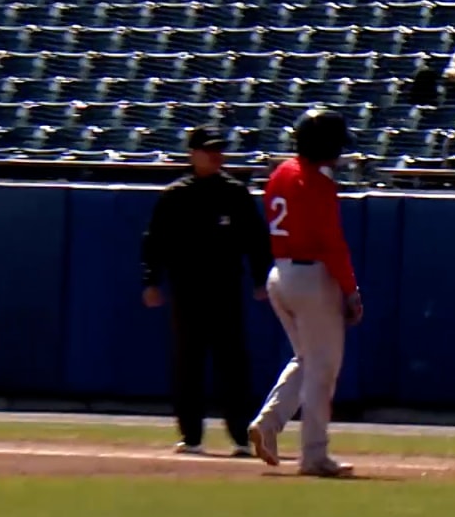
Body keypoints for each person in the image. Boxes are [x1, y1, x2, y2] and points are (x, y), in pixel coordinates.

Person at [140, 126, 272, 457]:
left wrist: (260, 279)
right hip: (187, 290)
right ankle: (192, 435)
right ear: (193, 154)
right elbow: (154, 242)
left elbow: (255, 240)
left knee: (233, 362)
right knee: (188, 362)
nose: (216, 155)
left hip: (226, 288)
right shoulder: (175, 195)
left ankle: (241, 436)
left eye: (219, 149)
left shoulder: (234, 192)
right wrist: (151, 281)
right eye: (209, 149)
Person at [247, 109, 364, 479]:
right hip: (311, 276)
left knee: (308, 359)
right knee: (323, 369)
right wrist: (351, 291)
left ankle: (269, 422)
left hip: (280, 273)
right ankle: (314, 454)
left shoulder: (281, 172)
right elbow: (333, 245)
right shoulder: (317, 184)